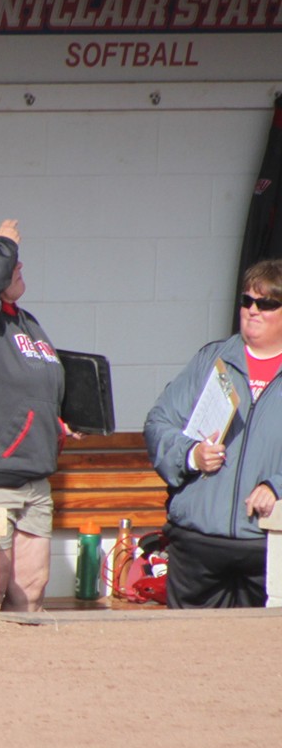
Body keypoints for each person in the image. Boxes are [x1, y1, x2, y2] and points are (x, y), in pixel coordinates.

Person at [143, 259, 282, 608]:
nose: (252, 310)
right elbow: (159, 423)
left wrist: (276, 485)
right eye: (246, 300)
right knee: (188, 653)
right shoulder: (212, 360)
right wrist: (191, 454)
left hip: (266, 547)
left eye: (266, 304)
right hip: (198, 546)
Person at [0, 219, 76, 611]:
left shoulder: (27, 323)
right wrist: (3, 245)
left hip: (34, 478)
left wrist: (55, 421)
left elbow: (35, 387)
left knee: (32, 590)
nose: (19, 266)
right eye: (10, 260)